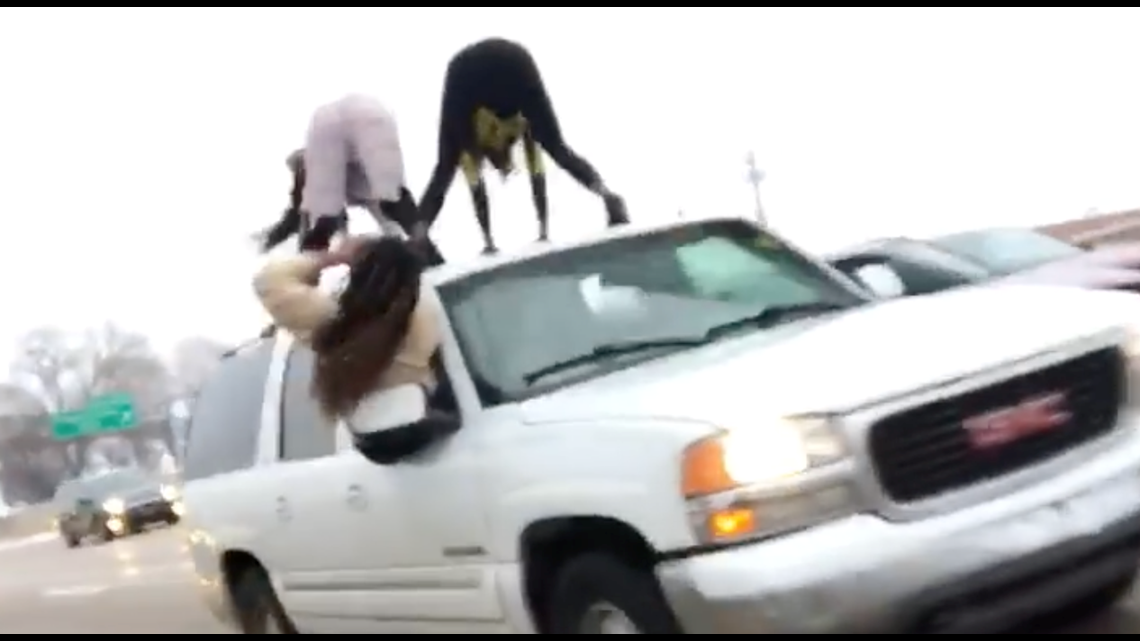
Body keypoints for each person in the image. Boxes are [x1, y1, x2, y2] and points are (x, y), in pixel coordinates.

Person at [252, 235, 455, 461]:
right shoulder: (427, 317)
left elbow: (268, 281)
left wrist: (336, 257)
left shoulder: (333, 323)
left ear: (356, 275)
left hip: (374, 443)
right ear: (412, 280)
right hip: (415, 434)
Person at [419, 38, 629, 254]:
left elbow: (480, 191)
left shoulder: (469, 141)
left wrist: (490, 243)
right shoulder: (521, 127)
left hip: (464, 75)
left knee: (445, 167)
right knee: (557, 147)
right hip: (515, 59)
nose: (500, 167)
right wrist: (543, 232)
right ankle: (607, 195)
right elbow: (537, 176)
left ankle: (417, 235)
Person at [255, 94, 436, 261]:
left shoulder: (321, 162)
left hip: (355, 173)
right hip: (355, 168)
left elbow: (310, 214)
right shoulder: (326, 160)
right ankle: (425, 257)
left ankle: (423, 258)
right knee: (389, 208)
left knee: (388, 209)